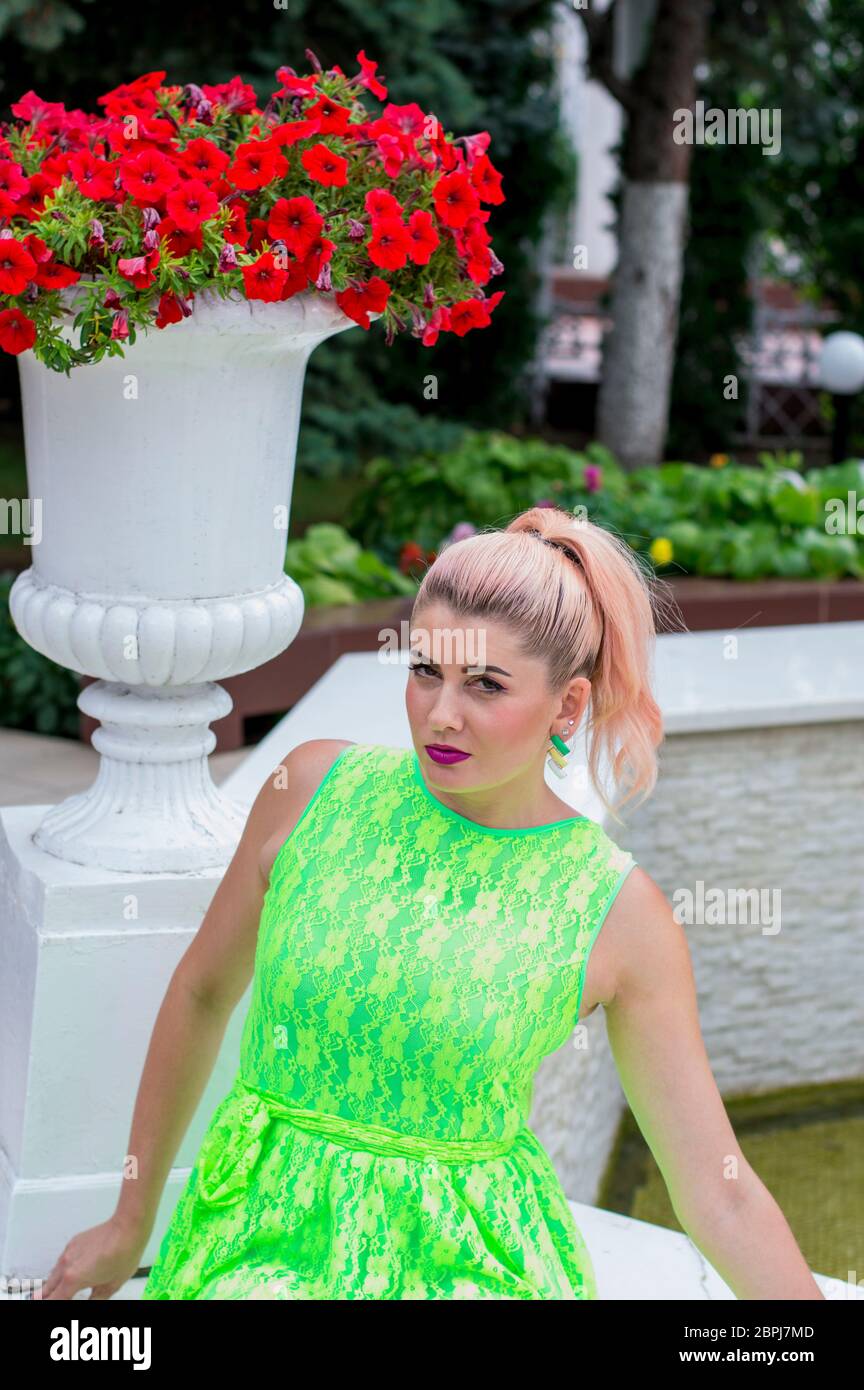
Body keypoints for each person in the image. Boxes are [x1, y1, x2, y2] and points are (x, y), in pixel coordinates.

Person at [37, 507, 824, 1301]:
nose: (442, 714)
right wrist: (126, 1227)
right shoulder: (311, 789)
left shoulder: (615, 910)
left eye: (485, 685)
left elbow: (716, 1190)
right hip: (260, 1243)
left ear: (568, 707)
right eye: (426, 671)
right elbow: (202, 993)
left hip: (469, 1271)